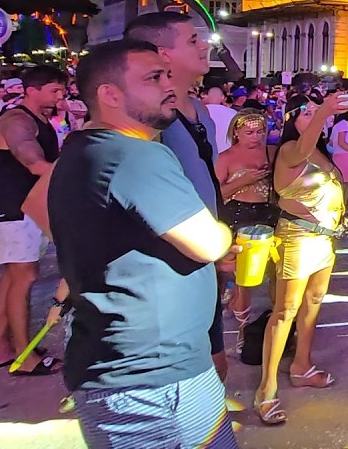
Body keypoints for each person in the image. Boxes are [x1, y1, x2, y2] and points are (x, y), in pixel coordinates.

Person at [44, 39, 238, 447]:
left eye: (167, 75)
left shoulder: (84, 149)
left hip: (126, 368)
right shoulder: (134, 155)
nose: (169, 85)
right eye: (153, 78)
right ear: (110, 94)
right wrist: (223, 236)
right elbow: (207, 242)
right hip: (154, 380)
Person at [126, 12, 231, 382]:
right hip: (168, 271)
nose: (205, 45)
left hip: (203, 259)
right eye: (192, 40)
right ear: (162, 54)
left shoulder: (197, 108)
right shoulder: (145, 118)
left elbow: (204, 178)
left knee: (216, 362)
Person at [254, 92, 348, 425]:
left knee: (313, 304)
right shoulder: (291, 150)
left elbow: (334, 187)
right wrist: (325, 111)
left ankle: (302, 366)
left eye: (317, 113)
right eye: (306, 113)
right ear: (290, 120)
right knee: (285, 311)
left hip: (324, 240)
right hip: (297, 238)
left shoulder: (320, 150)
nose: (314, 116)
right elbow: (301, 150)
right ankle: (266, 389)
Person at [0, 65, 65, 376]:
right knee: (24, 277)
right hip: (12, 210)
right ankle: (23, 354)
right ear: (31, 90)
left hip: (19, 209)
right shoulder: (18, 120)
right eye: (54, 90)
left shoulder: (40, 119)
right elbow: (34, 163)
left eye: (62, 89)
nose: (60, 96)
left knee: (13, 278)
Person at [214, 110, 278, 336]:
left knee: (273, 270)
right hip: (238, 215)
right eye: (249, 132)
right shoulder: (226, 158)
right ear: (236, 132)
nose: (255, 137)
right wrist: (244, 181)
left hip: (269, 214)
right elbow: (215, 193)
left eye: (260, 131)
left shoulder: (272, 152)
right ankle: (243, 330)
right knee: (243, 276)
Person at [203, 85, 238, 153]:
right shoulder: (233, 113)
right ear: (222, 98)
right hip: (228, 152)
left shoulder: (199, 111)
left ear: (208, 97)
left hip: (206, 153)